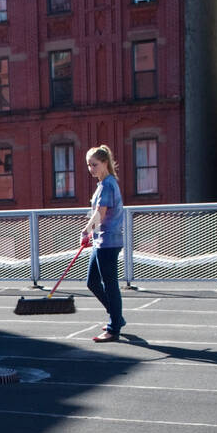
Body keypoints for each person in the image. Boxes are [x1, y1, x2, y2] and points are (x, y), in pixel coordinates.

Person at [79, 146, 126, 341]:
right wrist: (91, 234)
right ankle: (116, 317)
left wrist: (86, 232)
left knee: (110, 284)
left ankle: (114, 327)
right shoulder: (103, 184)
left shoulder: (107, 185)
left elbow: (100, 214)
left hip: (108, 241)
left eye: (94, 164)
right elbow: (98, 215)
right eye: (89, 165)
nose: (91, 168)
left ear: (105, 163)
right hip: (101, 241)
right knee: (92, 282)